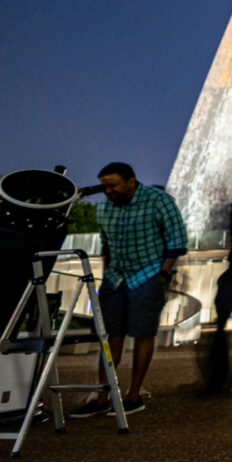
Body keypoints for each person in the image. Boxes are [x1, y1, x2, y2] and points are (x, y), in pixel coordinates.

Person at [70, 162, 187, 418]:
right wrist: (106, 274)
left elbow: (177, 240)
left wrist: (164, 273)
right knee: (109, 334)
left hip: (149, 274)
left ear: (131, 181)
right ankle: (103, 396)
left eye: (113, 186)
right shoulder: (104, 208)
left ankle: (134, 396)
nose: (108, 191)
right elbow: (106, 245)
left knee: (143, 333)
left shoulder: (159, 201)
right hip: (116, 277)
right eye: (104, 187)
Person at [197, 200, 232, 397]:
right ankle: (218, 381)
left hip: (231, 272)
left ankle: (218, 383)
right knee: (219, 330)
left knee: (219, 330)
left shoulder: (231, 212)